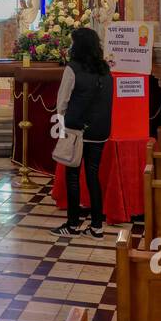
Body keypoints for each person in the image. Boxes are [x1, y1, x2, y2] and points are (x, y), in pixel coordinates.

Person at [51, 27, 114, 238]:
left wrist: (62, 129)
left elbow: (61, 103)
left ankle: (72, 225)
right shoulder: (105, 69)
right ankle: (97, 226)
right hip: (100, 130)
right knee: (93, 176)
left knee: (73, 176)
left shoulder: (73, 68)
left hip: (76, 130)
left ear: (77, 46)